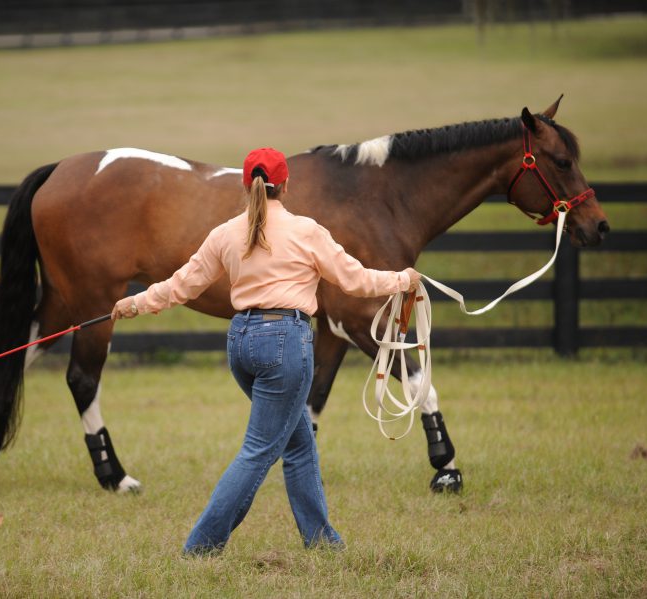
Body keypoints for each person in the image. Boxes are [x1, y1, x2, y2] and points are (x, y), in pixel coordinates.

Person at [112, 147, 421, 555]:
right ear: (286, 185)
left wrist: (135, 303)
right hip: (285, 345)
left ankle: (321, 541)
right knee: (258, 451)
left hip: (241, 343)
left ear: (245, 185)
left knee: (297, 444)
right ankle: (201, 545)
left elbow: (182, 285)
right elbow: (355, 280)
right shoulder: (307, 231)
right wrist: (403, 279)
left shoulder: (225, 233)